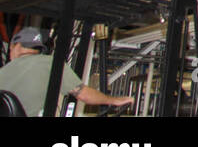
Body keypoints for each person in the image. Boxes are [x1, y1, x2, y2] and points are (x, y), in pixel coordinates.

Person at [0, 27, 134, 116]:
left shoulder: (3, 72)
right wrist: (113, 100)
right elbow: (84, 94)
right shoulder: (50, 63)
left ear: (13, 46)